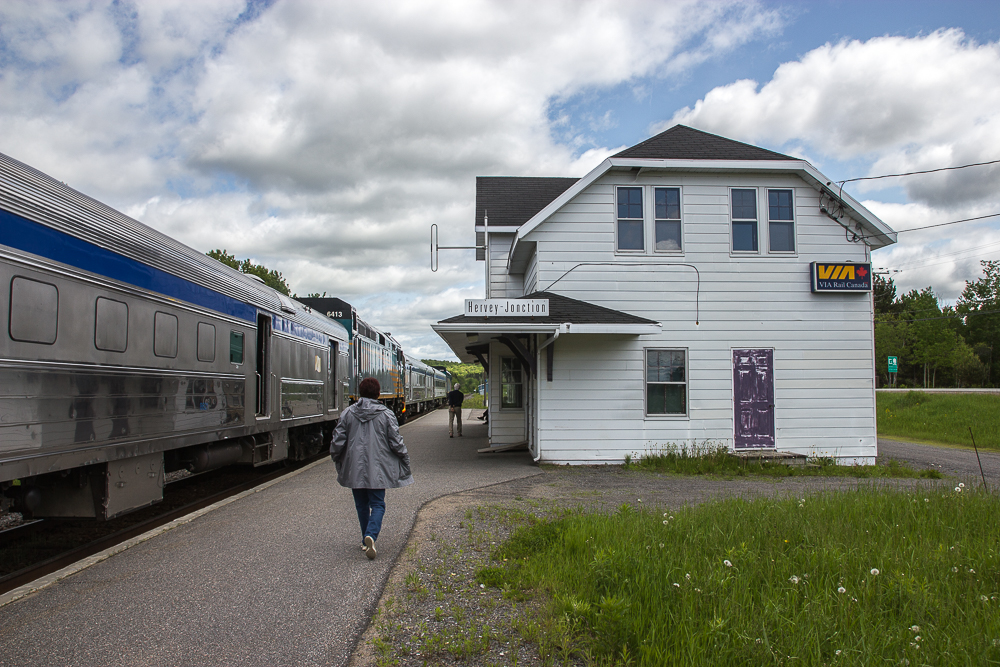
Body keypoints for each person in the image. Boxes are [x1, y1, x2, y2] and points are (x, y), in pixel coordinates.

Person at [331, 377, 413, 560]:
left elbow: (337, 441)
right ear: (378, 394)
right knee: (377, 504)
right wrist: (403, 457)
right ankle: (371, 535)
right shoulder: (386, 414)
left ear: (360, 393)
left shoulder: (348, 413)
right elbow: (396, 442)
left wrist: (337, 457)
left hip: (354, 467)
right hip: (378, 468)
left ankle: (364, 539)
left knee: (361, 504)